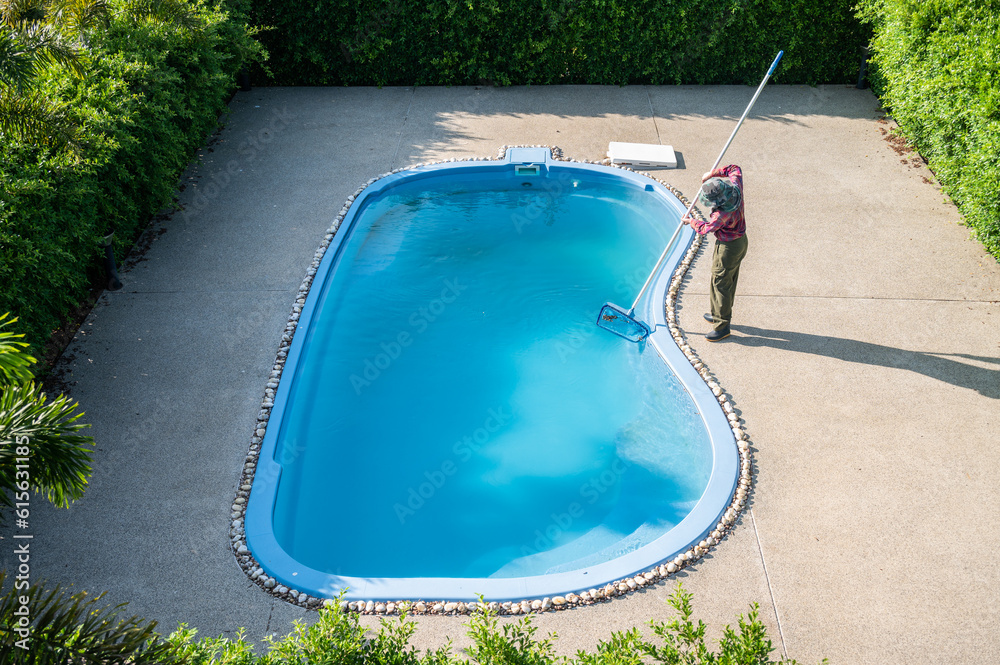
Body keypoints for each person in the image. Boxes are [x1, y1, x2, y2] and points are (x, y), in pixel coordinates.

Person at [682, 164, 746, 342]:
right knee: (726, 280)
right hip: (740, 241)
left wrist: (691, 221)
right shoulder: (736, 188)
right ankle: (718, 312)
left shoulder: (720, 215)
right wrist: (712, 173)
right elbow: (734, 169)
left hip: (728, 248)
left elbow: (705, 228)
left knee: (721, 283)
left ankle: (722, 326)